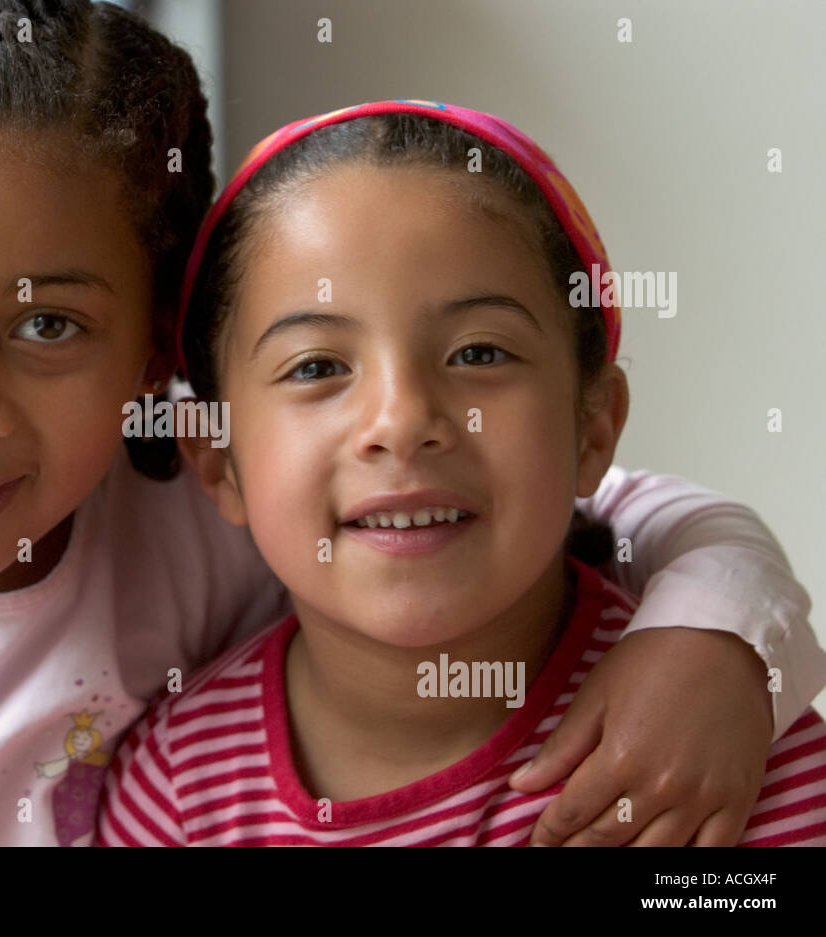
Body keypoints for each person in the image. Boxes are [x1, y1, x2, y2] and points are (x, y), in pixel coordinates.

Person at [0, 6, 819, 846]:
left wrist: (721, 640)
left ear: (155, 349)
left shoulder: (200, 514)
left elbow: (617, 509)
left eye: (48, 329)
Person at [97, 101, 826, 846]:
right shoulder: (176, 791)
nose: (403, 419)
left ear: (594, 424)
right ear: (220, 461)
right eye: (317, 366)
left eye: (479, 353)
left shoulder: (710, 758)